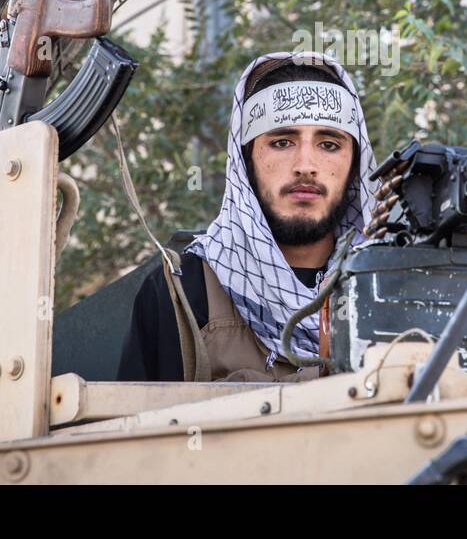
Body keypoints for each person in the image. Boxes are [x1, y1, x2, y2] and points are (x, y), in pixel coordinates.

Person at [117, 51, 378, 382]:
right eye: (282, 142)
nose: (306, 165)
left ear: (354, 164)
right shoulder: (184, 292)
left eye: (329, 144)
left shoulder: (386, 282)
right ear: (246, 162)